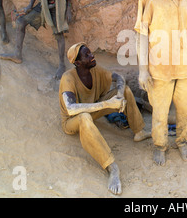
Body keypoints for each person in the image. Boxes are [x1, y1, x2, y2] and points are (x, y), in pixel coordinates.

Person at [135, 0, 187, 166]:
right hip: (159, 67)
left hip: (182, 67)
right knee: (161, 113)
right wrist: (143, 70)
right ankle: (160, 145)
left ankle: (182, 141)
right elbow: (142, 34)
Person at [59, 43, 151, 195]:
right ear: (78, 63)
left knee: (126, 91)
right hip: (73, 120)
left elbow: (118, 77)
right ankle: (112, 167)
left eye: (90, 52)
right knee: (84, 117)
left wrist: (120, 96)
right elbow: (70, 108)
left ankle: (139, 131)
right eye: (87, 55)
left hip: (93, 109)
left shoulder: (94, 70)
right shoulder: (68, 78)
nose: (92, 56)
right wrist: (107, 104)